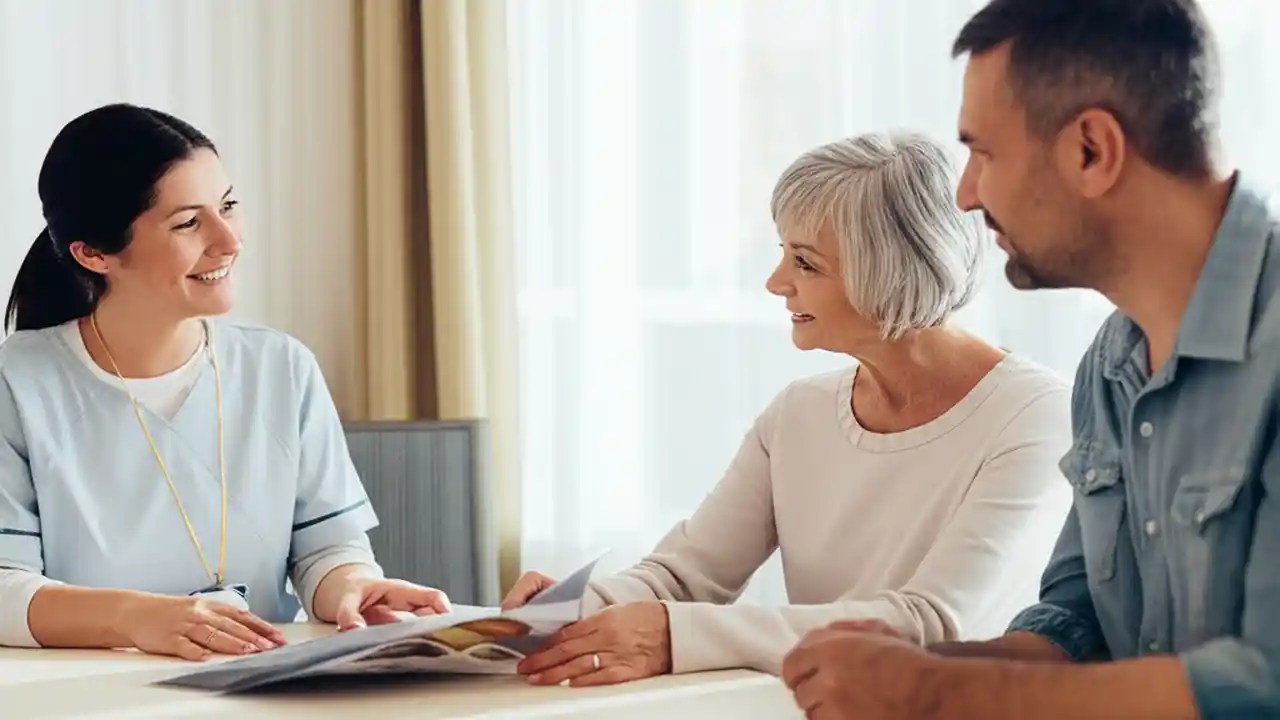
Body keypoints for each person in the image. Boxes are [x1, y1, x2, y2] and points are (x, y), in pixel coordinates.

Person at [780, 2, 1280, 718]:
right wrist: (900, 664)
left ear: (1090, 151)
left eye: (982, 153)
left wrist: (936, 689)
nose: (965, 194)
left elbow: (1263, 684)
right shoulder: (1111, 365)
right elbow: (1079, 628)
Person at [501, 132, 1074, 687]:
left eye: (805, 263)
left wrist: (677, 637)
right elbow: (686, 575)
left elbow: (936, 625)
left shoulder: (1034, 415)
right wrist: (577, 607)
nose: (777, 283)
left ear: (890, 270)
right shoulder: (800, 414)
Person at [0, 104, 450, 661]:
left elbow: (325, 549)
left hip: (256, 682)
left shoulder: (281, 367)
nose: (229, 239)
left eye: (228, 206)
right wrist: (138, 618)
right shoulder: (17, 384)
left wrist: (352, 585)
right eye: (189, 222)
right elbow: (5, 587)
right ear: (94, 253)